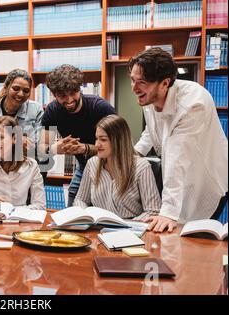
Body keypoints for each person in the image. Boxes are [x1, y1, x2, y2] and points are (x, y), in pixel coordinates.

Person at [129, 47, 228, 232]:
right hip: (178, 179)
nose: (134, 88)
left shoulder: (192, 104)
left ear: (165, 83)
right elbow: (151, 131)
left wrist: (167, 212)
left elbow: (177, 157)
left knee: (193, 239)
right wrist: (133, 154)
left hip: (206, 180)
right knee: (172, 234)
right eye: (132, 80)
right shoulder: (150, 96)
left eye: (141, 82)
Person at [39, 64, 116, 206]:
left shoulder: (100, 107)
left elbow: (118, 147)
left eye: (73, 93)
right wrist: (56, 148)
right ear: (54, 95)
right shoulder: (52, 111)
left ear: (79, 89)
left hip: (111, 169)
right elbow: (42, 149)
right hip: (84, 168)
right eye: (62, 96)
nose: (69, 100)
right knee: (72, 211)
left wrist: (85, 148)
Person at [73, 115, 161, 220]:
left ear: (119, 141)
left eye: (103, 140)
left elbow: (153, 210)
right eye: (96, 139)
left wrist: (129, 225)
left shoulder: (141, 167)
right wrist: (86, 216)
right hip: (98, 229)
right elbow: (81, 199)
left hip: (130, 231)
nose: (97, 144)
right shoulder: (92, 163)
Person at [0, 69, 44, 147]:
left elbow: (39, 146)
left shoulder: (36, 109)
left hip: (25, 156)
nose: (20, 94)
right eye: (16, 89)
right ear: (6, 87)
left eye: (26, 91)